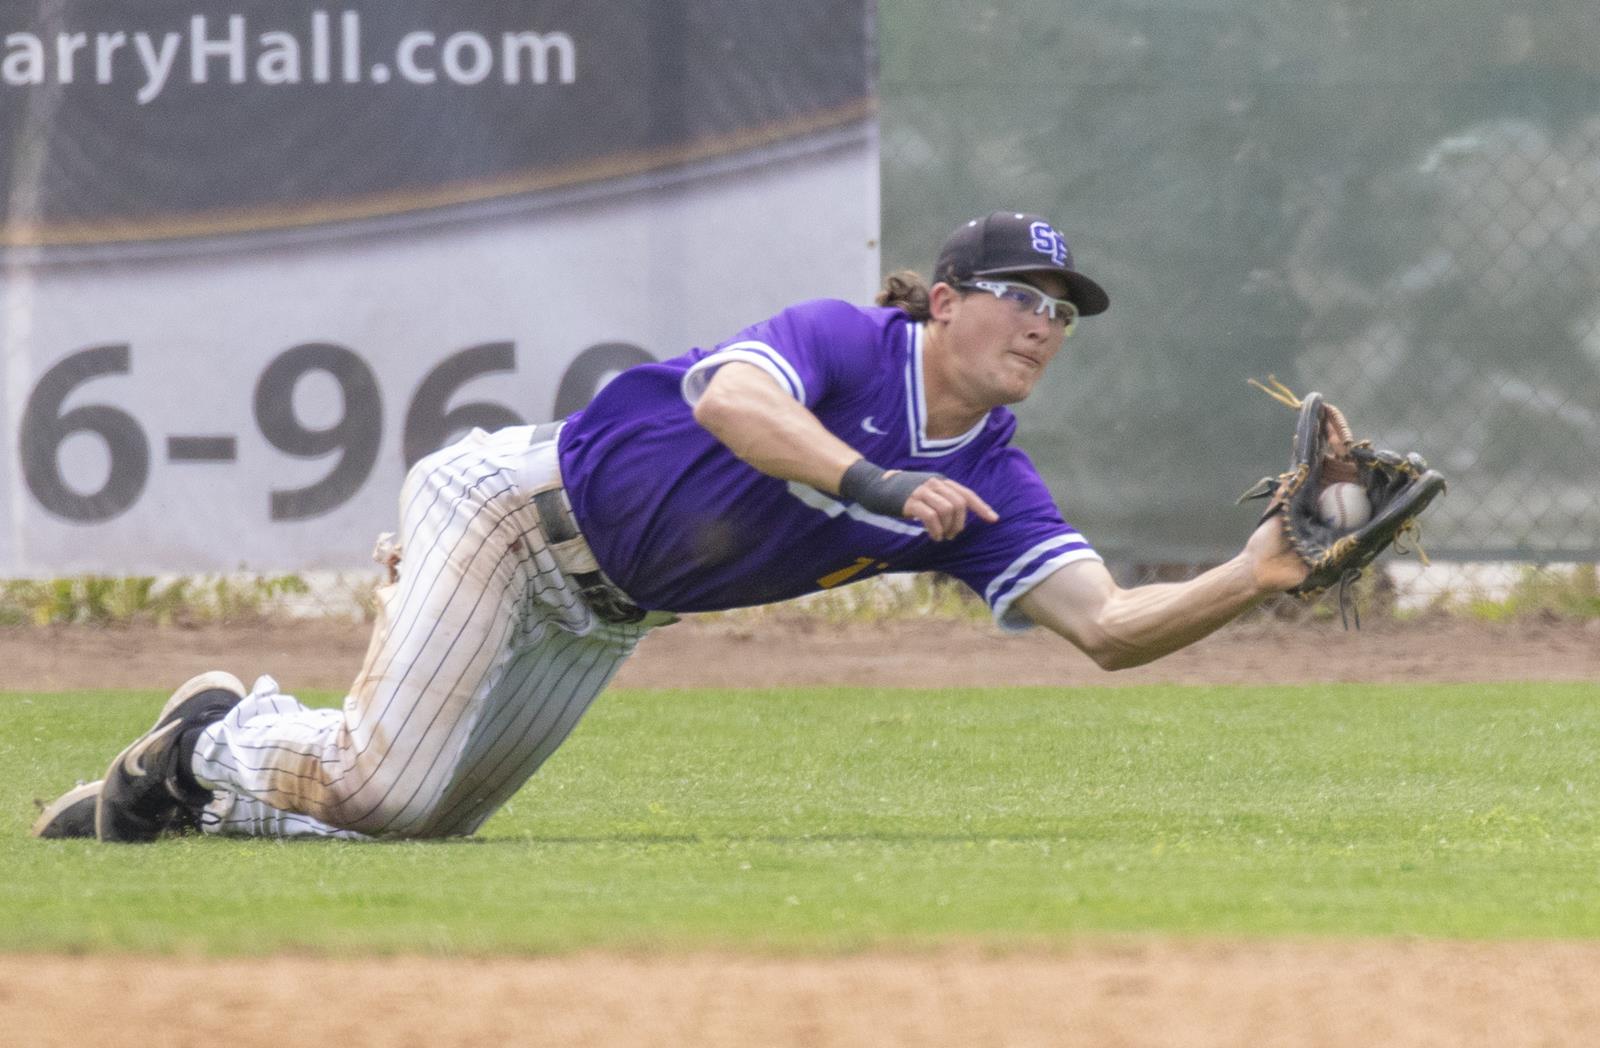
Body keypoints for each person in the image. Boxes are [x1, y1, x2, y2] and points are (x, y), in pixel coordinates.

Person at [33, 210, 1309, 842]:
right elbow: (728, 397)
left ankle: (196, 795)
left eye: (1063, 311)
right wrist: (869, 489)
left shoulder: (990, 481)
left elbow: (1107, 624)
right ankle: (214, 742)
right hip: (509, 512)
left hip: (600, 613)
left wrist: (1260, 569)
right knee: (380, 782)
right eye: (1022, 294)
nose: (1045, 323)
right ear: (944, 302)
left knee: (421, 821)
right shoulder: (846, 342)